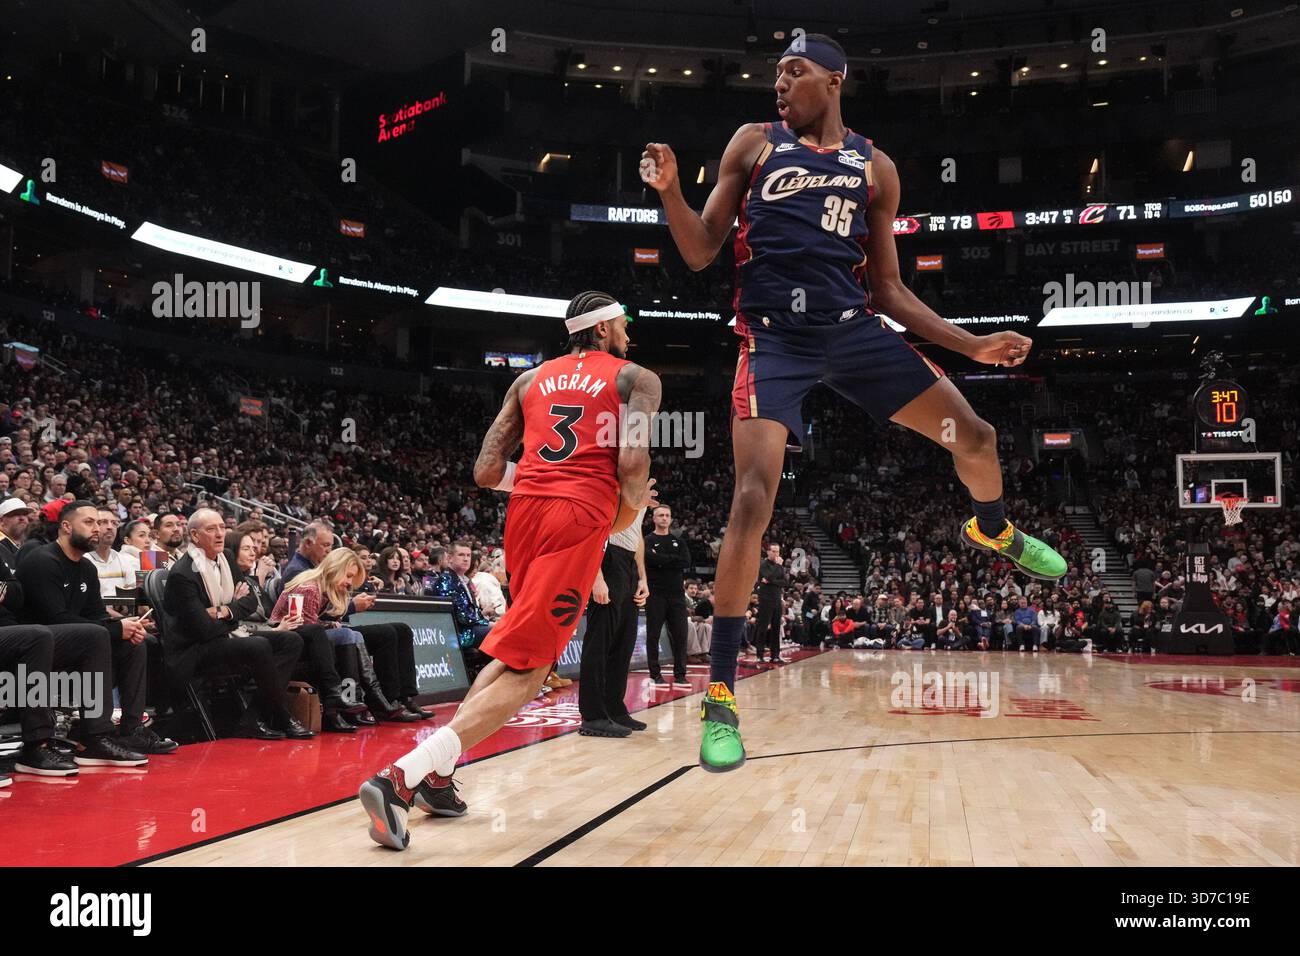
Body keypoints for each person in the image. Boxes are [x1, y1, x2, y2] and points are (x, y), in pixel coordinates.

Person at [641, 33, 1066, 771]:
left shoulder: (876, 167)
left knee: (979, 437)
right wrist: (673, 191)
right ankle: (720, 698)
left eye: (794, 72)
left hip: (852, 334)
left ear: (836, 80)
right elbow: (704, 248)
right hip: (773, 343)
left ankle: (992, 528)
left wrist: (968, 346)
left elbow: (890, 288)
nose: (780, 83)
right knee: (751, 500)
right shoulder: (754, 142)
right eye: (775, 72)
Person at [359, 290, 661, 851]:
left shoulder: (528, 381)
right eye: (622, 325)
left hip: (524, 514)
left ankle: (440, 776)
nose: (628, 334)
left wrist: (539, 484)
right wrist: (630, 507)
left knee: (514, 654)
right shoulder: (635, 378)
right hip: (579, 515)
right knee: (534, 668)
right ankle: (398, 777)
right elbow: (632, 461)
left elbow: (485, 470)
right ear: (600, 331)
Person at [16, 500, 167, 762]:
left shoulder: (86, 567)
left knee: (135, 642)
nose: (97, 529)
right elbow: (57, 618)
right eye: (89, 522)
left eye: (98, 522)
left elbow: (96, 615)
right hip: (37, 646)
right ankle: (96, 734)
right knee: (98, 635)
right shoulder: (42, 561)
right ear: (65, 526)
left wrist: (124, 628)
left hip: (78, 644)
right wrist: (113, 628)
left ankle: (132, 729)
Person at [163, 508, 313, 740]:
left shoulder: (227, 559)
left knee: (290, 640)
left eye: (222, 527)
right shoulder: (182, 574)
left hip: (225, 636)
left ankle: (253, 717)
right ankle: (282, 716)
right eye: (211, 529)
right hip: (193, 650)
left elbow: (251, 601)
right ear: (194, 536)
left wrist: (224, 610)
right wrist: (234, 610)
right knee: (258, 645)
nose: (220, 534)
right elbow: (203, 629)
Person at [226, 528, 357, 733]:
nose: (253, 552)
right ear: (231, 552)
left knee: (326, 635)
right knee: (312, 635)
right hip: (245, 635)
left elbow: (264, 612)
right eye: (246, 548)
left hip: (271, 630)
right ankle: (329, 699)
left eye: (254, 548)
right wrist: (276, 626)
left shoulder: (250, 581)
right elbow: (235, 618)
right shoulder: (224, 579)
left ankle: (338, 701)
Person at [578, 502, 649, 737]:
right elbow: (594, 529)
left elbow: (637, 533)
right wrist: (596, 577)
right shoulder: (614, 484)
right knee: (599, 641)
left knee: (624, 643)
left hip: (628, 563)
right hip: (607, 557)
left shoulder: (642, 490)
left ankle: (615, 708)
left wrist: (641, 576)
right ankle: (593, 715)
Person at [643, 504, 692, 686]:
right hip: (655, 594)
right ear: (654, 519)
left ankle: (680, 674)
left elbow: (685, 562)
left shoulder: (679, 542)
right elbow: (649, 559)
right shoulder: (647, 540)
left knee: (680, 635)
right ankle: (655, 674)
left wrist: (662, 560)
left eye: (667, 515)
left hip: (677, 595)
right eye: (661, 515)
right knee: (653, 634)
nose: (664, 518)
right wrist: (673, 560)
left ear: (671, 519)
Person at [754, 543, 788, 665]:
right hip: (765, 599)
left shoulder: (779, 566)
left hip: (777, 599)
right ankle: (759, 655)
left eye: (778, 552)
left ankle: (775, 655)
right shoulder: (764, 565)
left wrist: (771, 581)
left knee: (776, 628)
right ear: (768, 552)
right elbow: (767, 576)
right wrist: (775, 573)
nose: (776, 554)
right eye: (773, 551)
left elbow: (785, 582)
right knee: (762, 627)